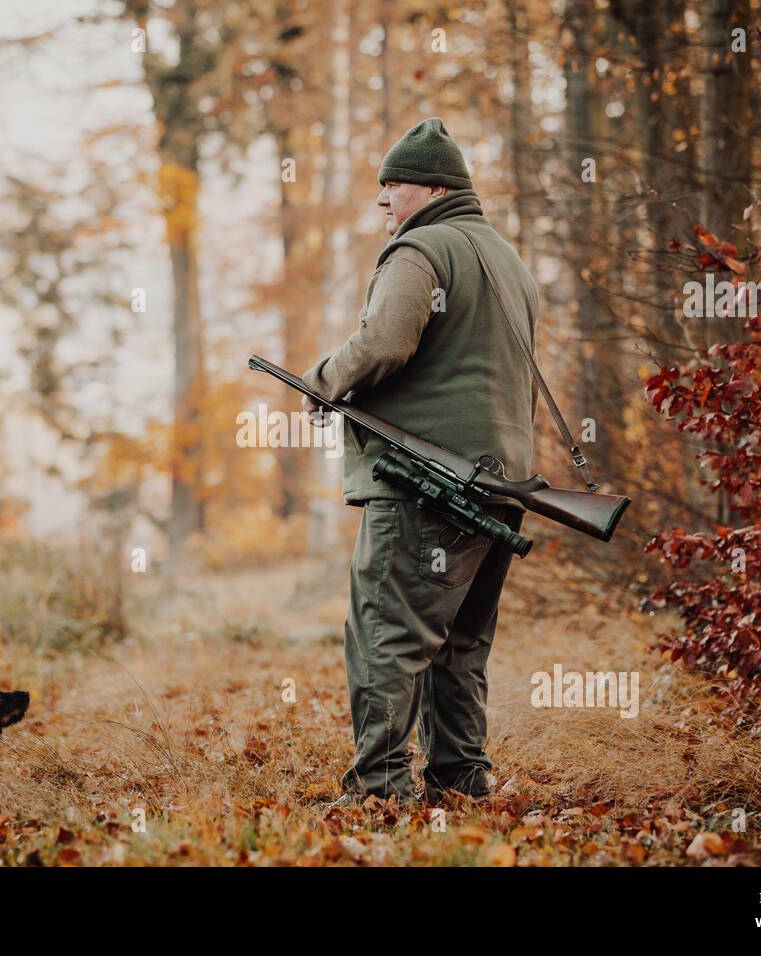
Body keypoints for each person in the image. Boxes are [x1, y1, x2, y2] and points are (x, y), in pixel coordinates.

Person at [301, 117, 539, 804]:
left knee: (387, 634)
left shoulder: (421, 249)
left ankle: (378, 791)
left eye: (393, 185)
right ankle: (460, 781)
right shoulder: (506, 258)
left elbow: (383, 343)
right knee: (460, 642)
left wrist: (323, 380)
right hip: (501, 483)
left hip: (427, 485)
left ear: (433, 188)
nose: (382, 199)